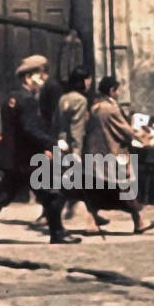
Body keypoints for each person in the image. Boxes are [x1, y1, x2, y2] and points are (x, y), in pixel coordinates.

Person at [0, 55, 82, 246]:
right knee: (53, 194)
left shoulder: (10, 99)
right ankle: (58, 233)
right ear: (28, 77)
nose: (44, 79)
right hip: (27, 160)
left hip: (13, 159)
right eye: (40, 75)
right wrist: (53, 143)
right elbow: (30, 129)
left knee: (4, 195)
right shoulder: (27, 100)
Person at [83, 77, 154, 235]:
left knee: (96, 190)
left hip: (96, 154)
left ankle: (91, 222)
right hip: (111, 155)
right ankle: (139, 221)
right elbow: (125, 130)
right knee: (124, 188)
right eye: (117, 90)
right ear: (111, 90)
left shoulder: (95, 107)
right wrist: (142, 137)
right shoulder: (110, 109)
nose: (119, 93)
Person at [55, 66, 98, 223]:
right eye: (87, 80)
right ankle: (90, 216)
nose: (89, 83)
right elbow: (77, 128)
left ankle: (93, 214)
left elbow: (60, 123)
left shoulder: (63, 98)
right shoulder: (81, 100)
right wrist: (77, 152)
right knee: (79, 182)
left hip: (63, 144)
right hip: (77, 147)